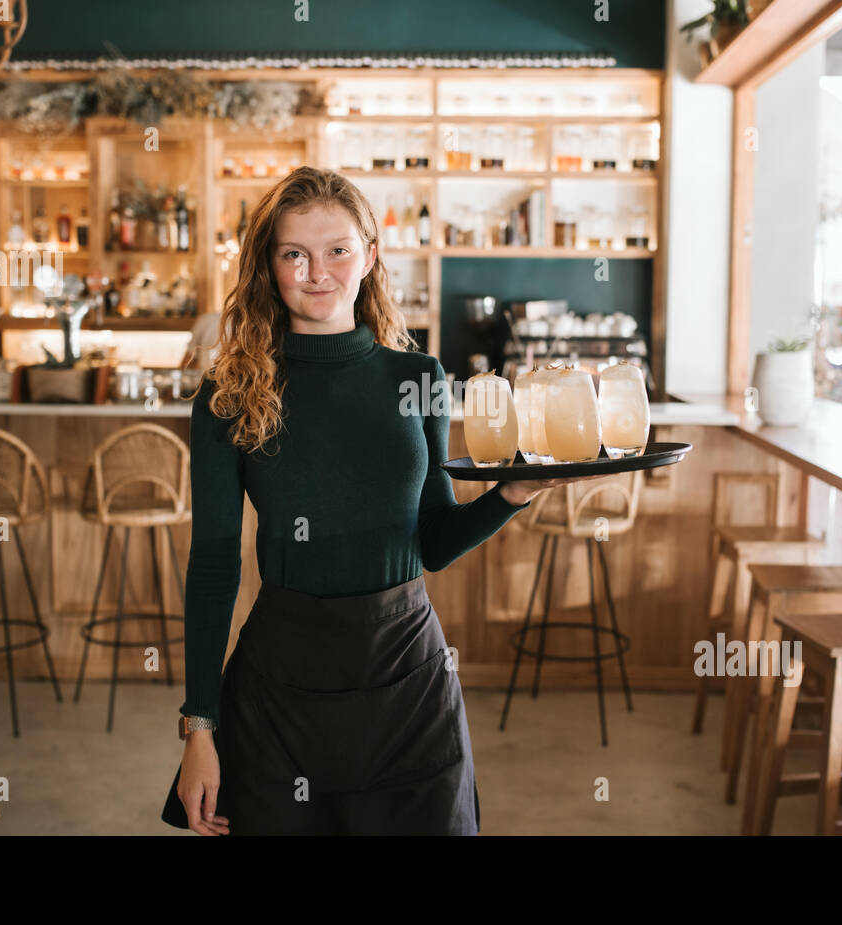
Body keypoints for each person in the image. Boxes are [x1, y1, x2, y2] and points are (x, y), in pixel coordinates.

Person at [162, 167, 611, 835]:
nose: (319, 272)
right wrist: (199, 726)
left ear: (370, 255)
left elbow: (431, 540)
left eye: (338, 249)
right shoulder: (230, 392)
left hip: (408, 678)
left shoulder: (419, 378)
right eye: (294, 253)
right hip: (280, 689)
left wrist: (510, 493)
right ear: (269, 265)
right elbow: (214, 563)